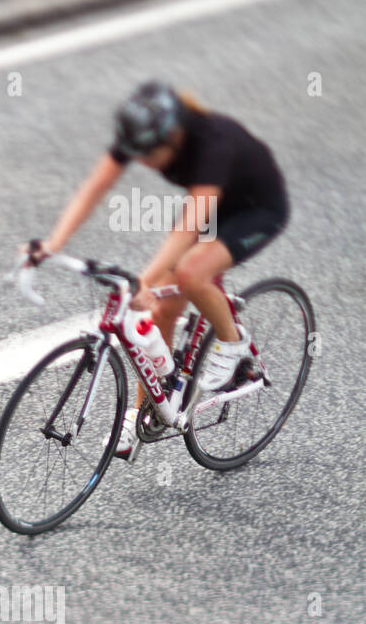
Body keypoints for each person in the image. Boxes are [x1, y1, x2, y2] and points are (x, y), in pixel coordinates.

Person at [33, 81, 289, 456]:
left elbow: (186, 231)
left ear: (175, 136)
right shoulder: (145, 134)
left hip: (258, 209)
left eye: (149, 156)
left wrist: (143, 280)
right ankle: (143, 413)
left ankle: (231, 342)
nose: (142, 162)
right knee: (156, 311)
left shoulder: (212, 145)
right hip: (217, 206)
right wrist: (51, 245)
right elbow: (94, 188)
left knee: (190, 273)